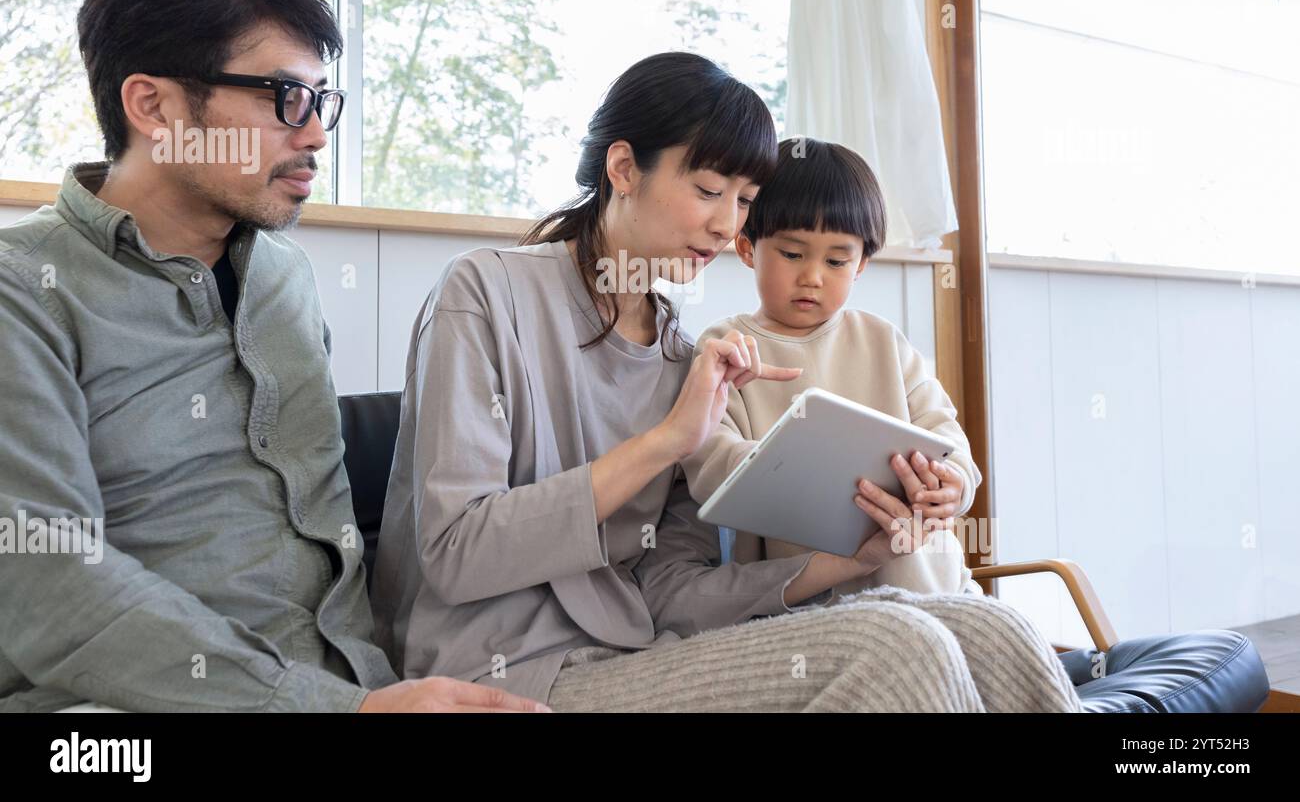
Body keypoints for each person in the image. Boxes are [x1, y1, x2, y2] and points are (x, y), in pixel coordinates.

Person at [371, 52, 1082, 712]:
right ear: (624, 168)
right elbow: (455, 554)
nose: (725, 225)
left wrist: (845, 561)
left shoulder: (687, 358)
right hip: (505, 669)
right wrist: (663, 443)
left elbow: (676, 594)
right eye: (708, 190)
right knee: (899, 648)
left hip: (639, 649)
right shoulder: (485, 294)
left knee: (992, 631)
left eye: (743, 201)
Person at [0, 0, 546, 713]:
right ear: (152, 106)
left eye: (322, 101)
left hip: (359, 682)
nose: (316, 133)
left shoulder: (285, 280)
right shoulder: (24, 292)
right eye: (284, 97)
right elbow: (50, 586)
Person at [682, 136, 982, 602]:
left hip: (938, 594)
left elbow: (948, 443)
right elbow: (708, 469)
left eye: (837, 260)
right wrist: (790, 465)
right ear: (747, 249)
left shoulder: (883, 341)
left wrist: (953, 486)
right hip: (814, 614)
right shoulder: (728, 349)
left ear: (861, 263)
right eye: (792, 254)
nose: (813, 276)